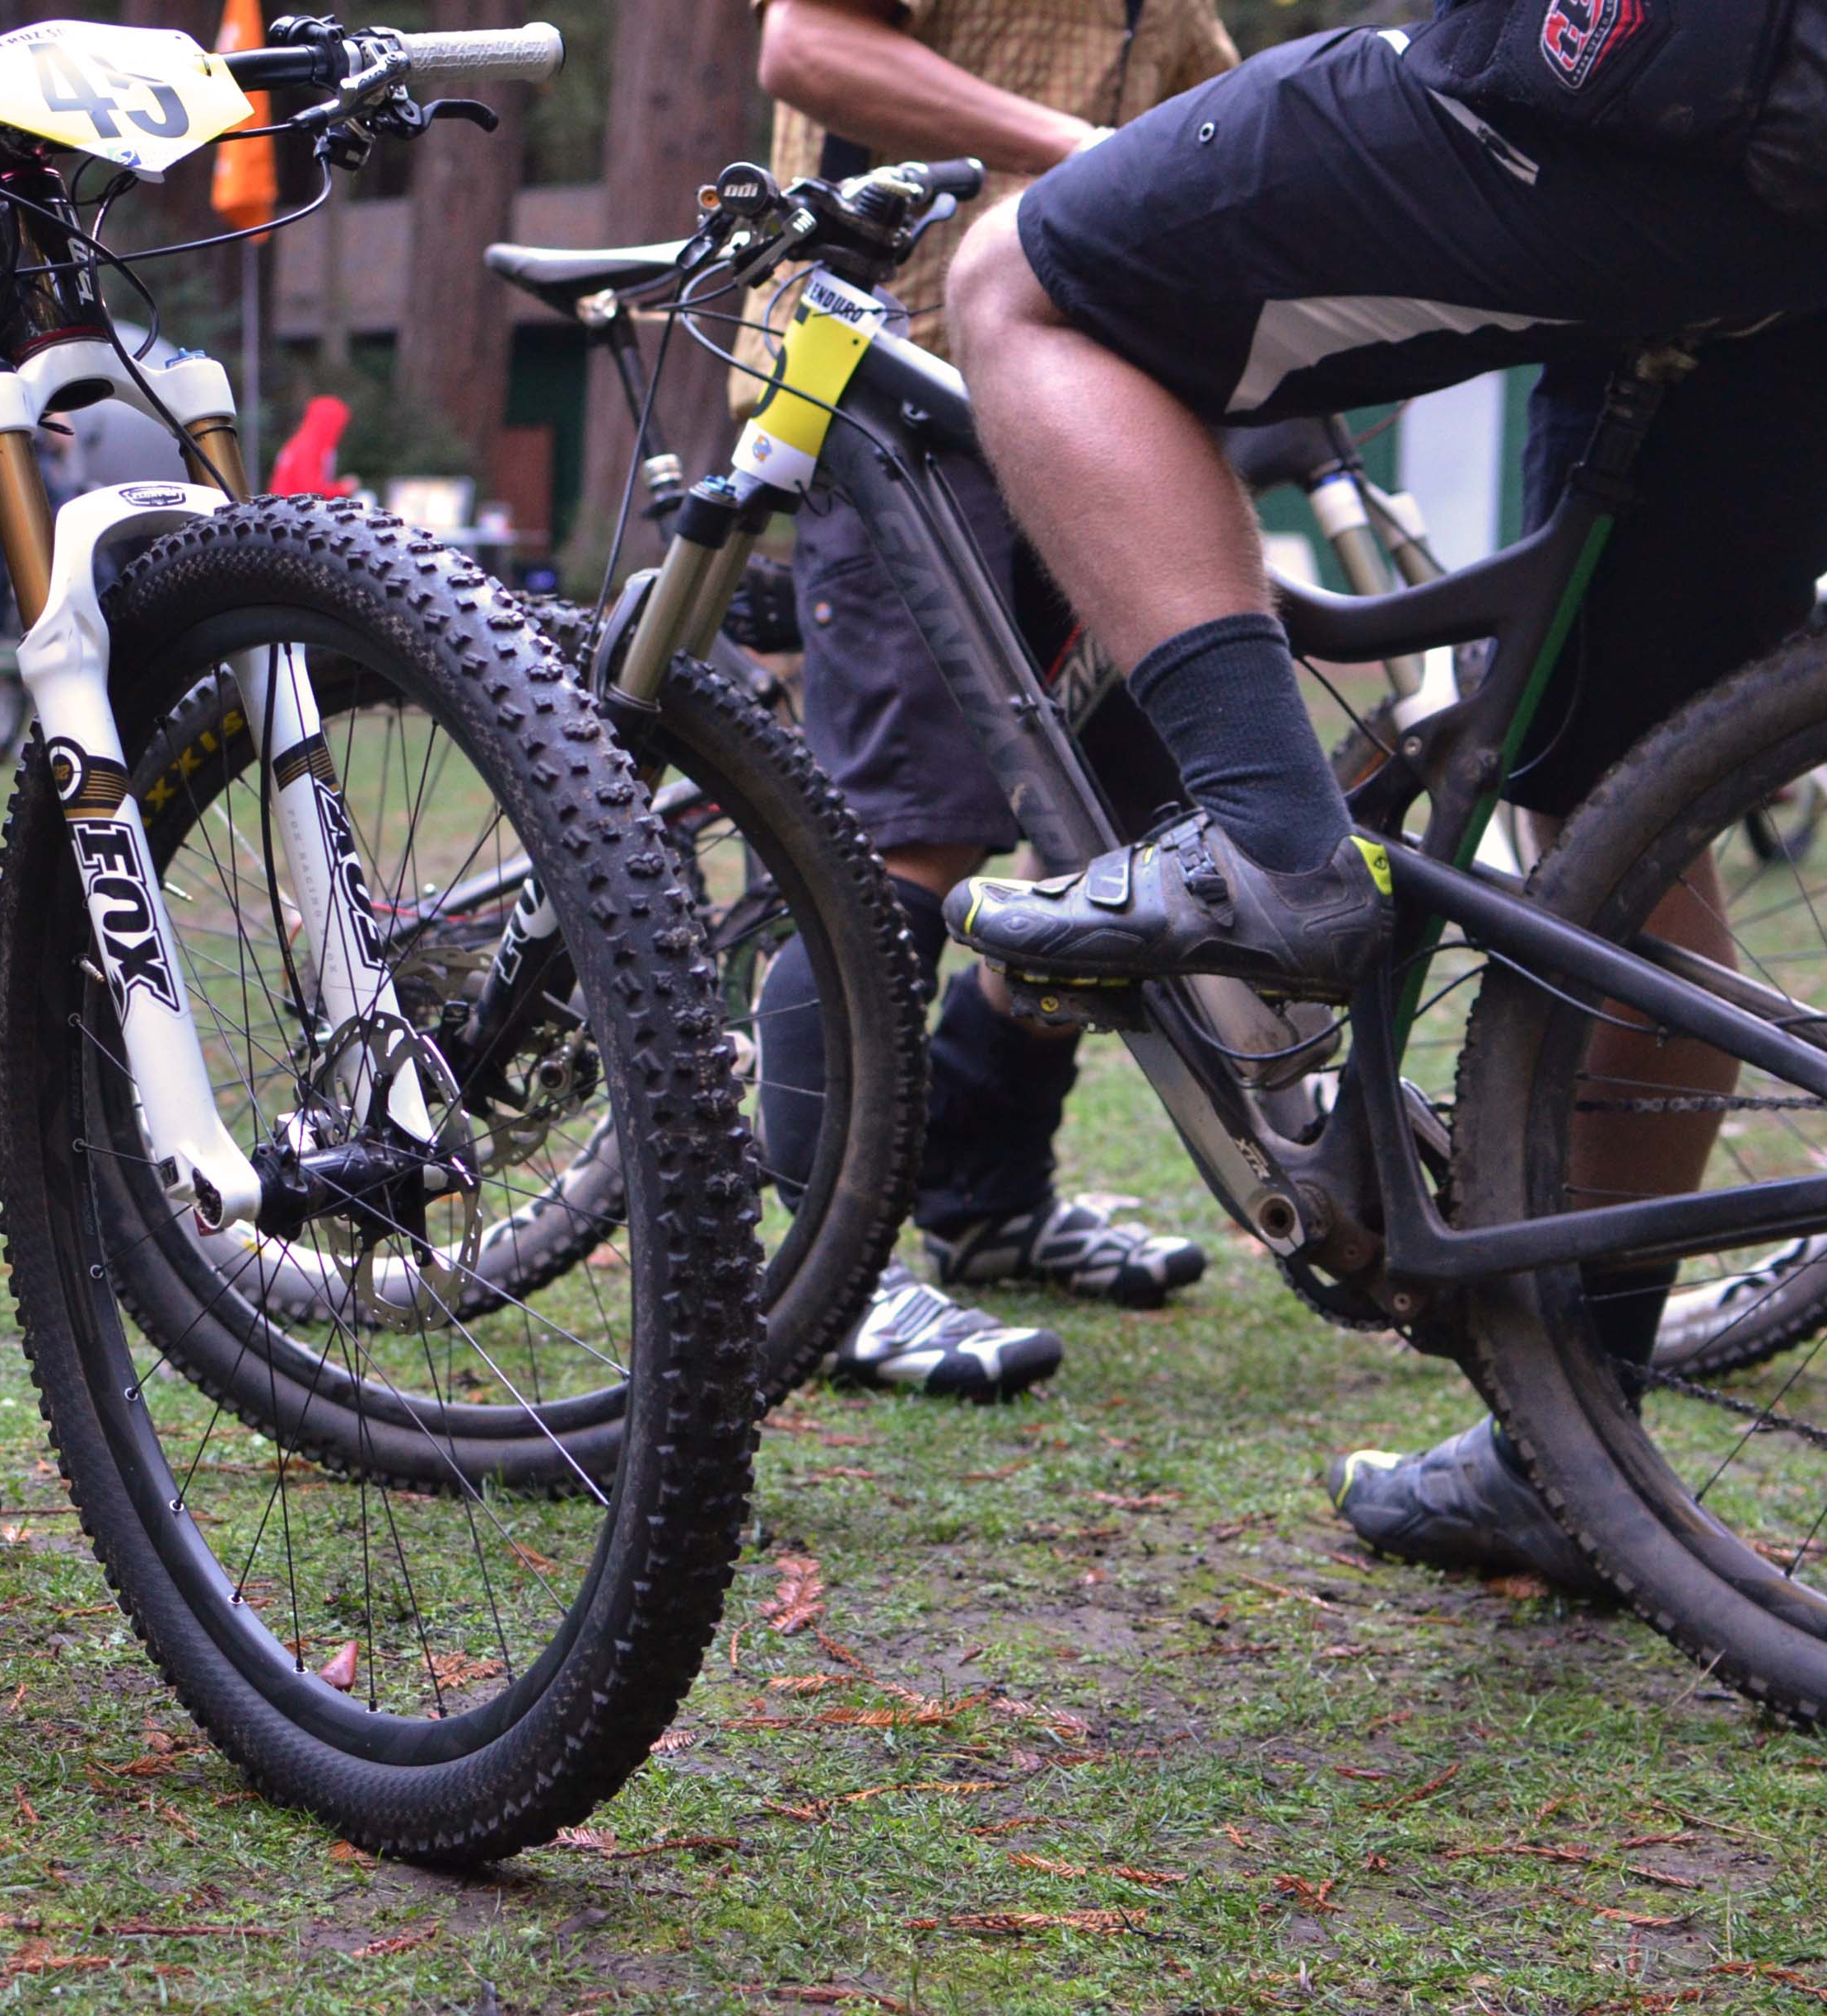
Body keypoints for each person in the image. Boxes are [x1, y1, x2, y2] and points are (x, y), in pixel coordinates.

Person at [939, 0, 1827, 1583]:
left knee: (1023, 286)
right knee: (1626, 829)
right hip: (1789, 189)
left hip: (1650, 79)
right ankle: (1575, 1455)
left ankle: (1266, 852)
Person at [743, 0, 1234, 1403]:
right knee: (905, 836)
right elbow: (806, 52)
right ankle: (830, 1276)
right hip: (890, 369)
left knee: (1121, 835)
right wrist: (1074, 150)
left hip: (1089, 397)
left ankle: (987, 1196)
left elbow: (1214, 123)